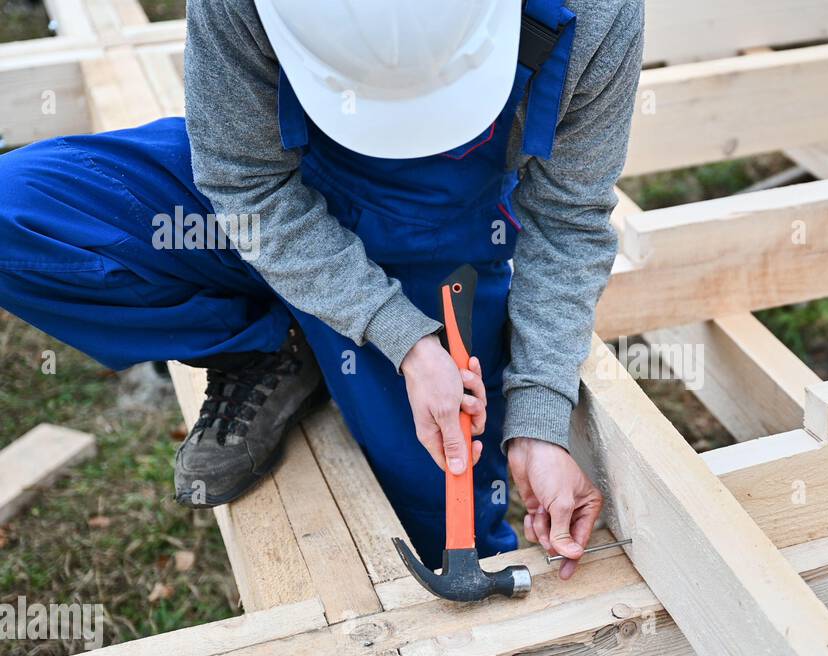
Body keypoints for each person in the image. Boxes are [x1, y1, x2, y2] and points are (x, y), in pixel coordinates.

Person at [0, 0, 645, 579]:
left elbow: (566, 222)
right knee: (17, 214)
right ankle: (268, 347)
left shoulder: (596, 11)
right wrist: (400, 337)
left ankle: (318, 337)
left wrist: (538, 420)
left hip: (437, 248)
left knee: (445, 523)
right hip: (269, 196)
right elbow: (245, 183)